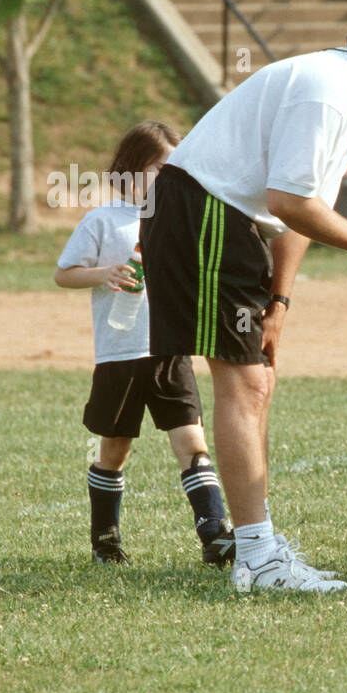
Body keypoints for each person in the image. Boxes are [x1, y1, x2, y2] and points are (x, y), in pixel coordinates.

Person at [139, 0, 347, 592]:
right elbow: (286, 202)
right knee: (244, 382)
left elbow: (305, 210)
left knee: (259, 380)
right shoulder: (324, 88)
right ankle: (256, 556)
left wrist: (278, 304)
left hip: (229, 220)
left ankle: (260, 547)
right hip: (203, 213)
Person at [55, 121, 233, 566]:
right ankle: (106, 542)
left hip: (168, 351)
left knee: (192, 443)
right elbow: (65, 273)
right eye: (160, 167)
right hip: (119, 356)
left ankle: (215, 536)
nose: (167, 178)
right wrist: (104, 274)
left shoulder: (176, 220)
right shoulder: (103, 219)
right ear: (130, 167)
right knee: (114, 451)